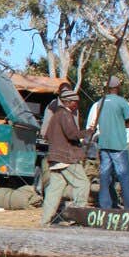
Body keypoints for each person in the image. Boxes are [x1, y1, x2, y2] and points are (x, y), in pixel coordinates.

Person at [40, 86, 88, 224]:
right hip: (66, 158)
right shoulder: (65, 114)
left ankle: (45, 221)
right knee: (83, 184)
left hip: (54, 158)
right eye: (75, 102)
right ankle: (78, 217)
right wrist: (87, 133)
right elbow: (72, 134)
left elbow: (47, 135)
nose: (76, 105)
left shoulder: (56, 115)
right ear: (67, 102)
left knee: (54, 190)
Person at [89, 76, 129, 210]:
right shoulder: (122, 102)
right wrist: (119, 123)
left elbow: (93, 124)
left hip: (104, 145)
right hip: (119, 145)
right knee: (124, 176)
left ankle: (105, 205)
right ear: (118, 87)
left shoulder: (100, 103)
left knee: (104, 176)